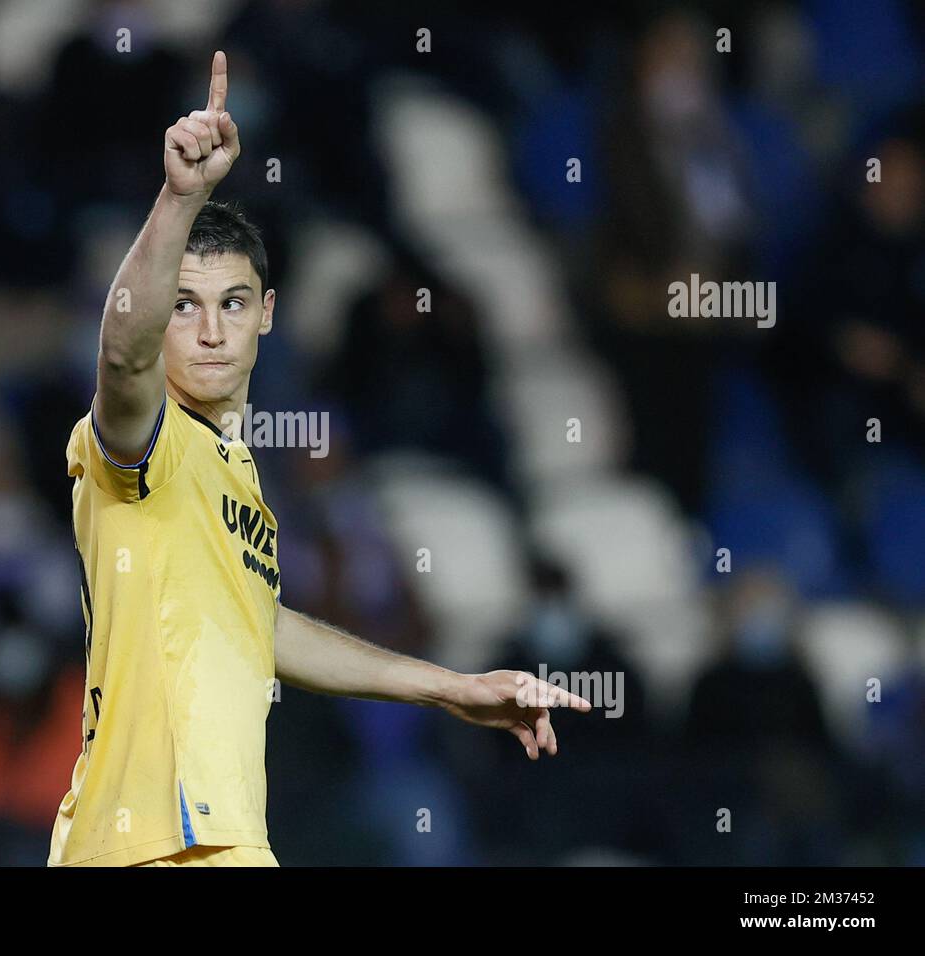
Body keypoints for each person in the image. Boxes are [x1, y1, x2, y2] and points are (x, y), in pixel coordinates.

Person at [47, 51, 591, 868]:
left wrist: (452, 687)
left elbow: (263, 628)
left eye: (232, 304)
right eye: (184, 305)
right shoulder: (142, 441)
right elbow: (123, 359)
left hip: (224, 842)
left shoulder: (236, 474)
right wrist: (179, 197)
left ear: (267, 315)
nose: (208, 330)